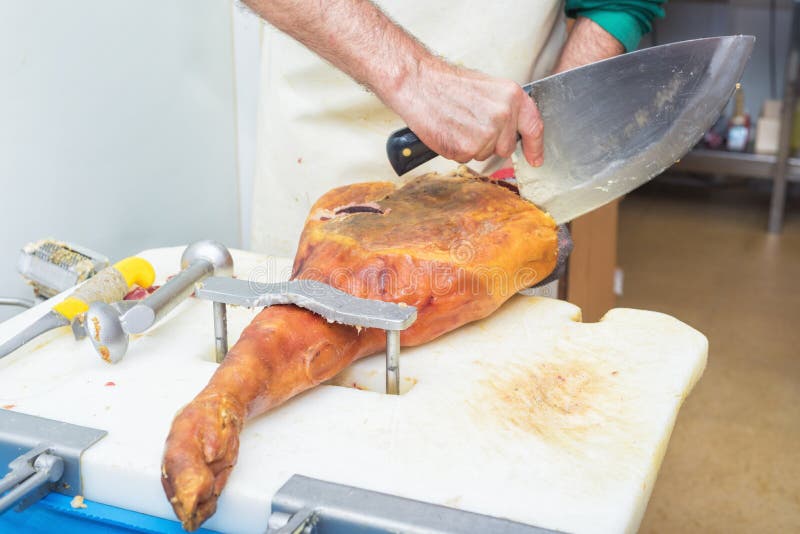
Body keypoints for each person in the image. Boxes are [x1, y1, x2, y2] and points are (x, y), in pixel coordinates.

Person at [242, 0, 665, 256]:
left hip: (502, 180)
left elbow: (618, 2)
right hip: (320, 161)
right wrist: (414, 77)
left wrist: (544, 132)